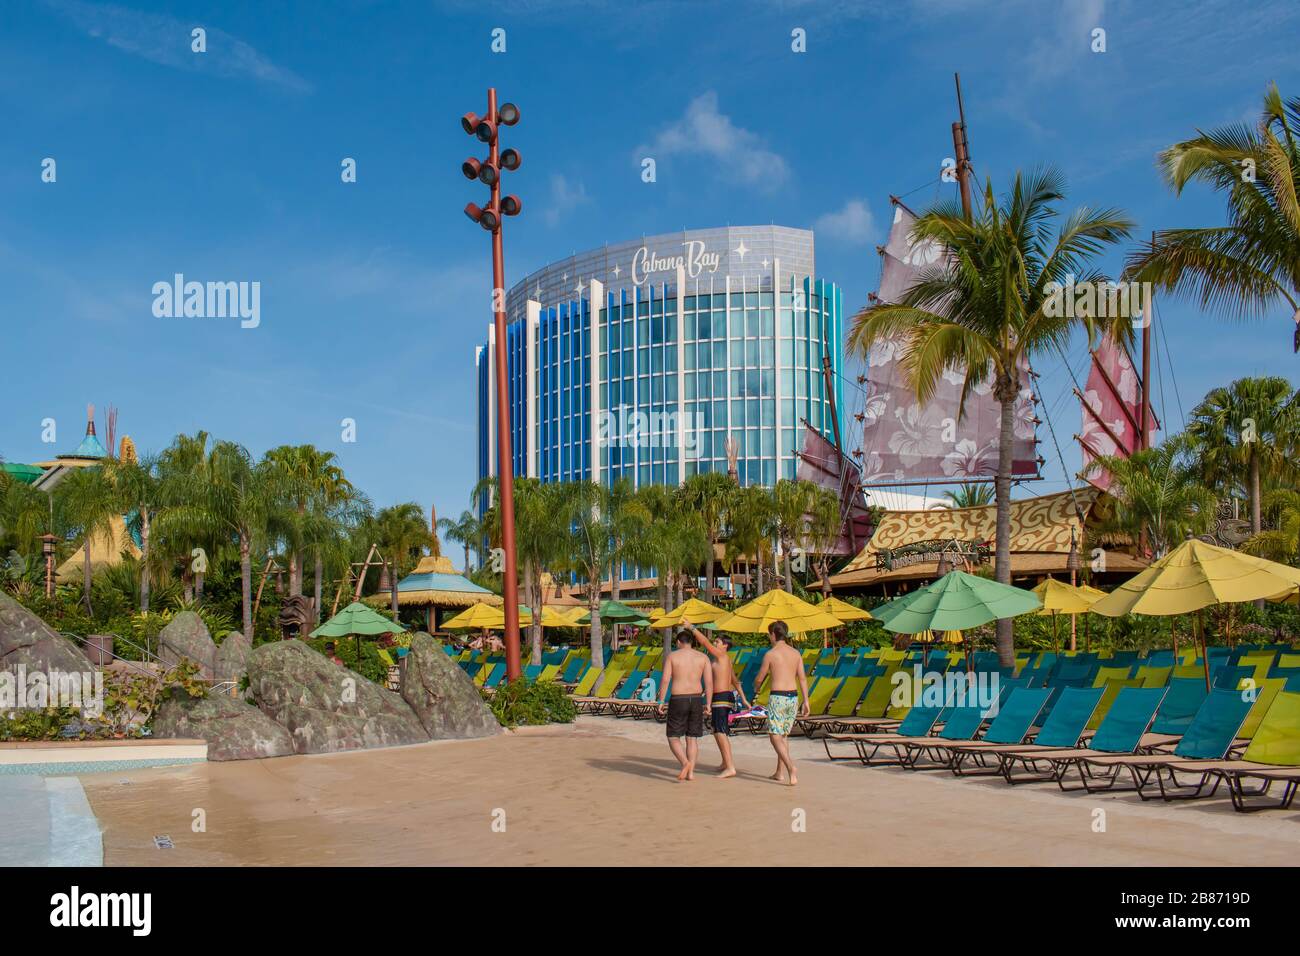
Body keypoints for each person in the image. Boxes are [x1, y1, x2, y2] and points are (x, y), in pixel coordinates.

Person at [686, 624, 750, 778]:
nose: (714, 643)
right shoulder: (723, 660)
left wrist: (692, 628)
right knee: (716, 730)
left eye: (717, 642)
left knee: (720, 731)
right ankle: (724, 762)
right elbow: (735, 680)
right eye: (715, 641)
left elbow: (705, 644)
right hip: (722, 696)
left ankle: (730, 767)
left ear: (725, 646)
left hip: (721, 696)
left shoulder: (722, 656)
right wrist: (744, 698)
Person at [753, 620, 810, 785]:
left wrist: (756, 687)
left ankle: (791, 767)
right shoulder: (795, 653)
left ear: (773, 634)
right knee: (783, 736)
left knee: (774, 735)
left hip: (778, 697)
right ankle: (780, 772)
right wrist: (806, 700)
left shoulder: (771, 654)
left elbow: (760, 677)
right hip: (793, 696)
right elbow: (803, 678)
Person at [657, 628, 713, 782]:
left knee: (673, 736)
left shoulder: (673, 656)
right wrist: (708, 703)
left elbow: (666, 679)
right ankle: (691, 773)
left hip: (678, 699)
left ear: (678, 642)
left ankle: (685, 763)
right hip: (696, 699)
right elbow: (708, 682)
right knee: (692, 738)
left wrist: (661, 701)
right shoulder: (703, 657)